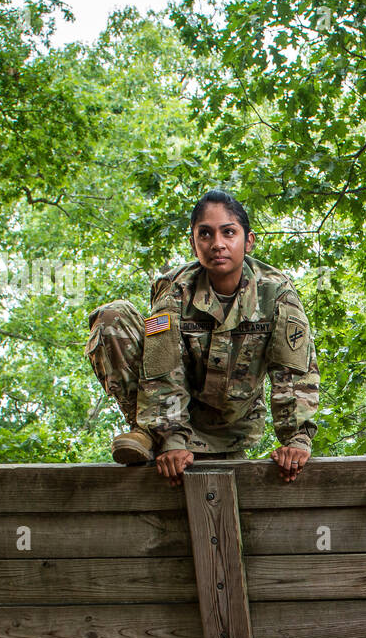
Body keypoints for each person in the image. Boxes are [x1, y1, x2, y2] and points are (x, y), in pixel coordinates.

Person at [85, 190, 320, 487]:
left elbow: (293, 369)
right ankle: (146, 431)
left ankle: (159, 432)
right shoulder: (175, 289)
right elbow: (162, 365)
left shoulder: (275, 292)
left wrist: (296, 440)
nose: (217, 244)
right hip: (171, 418)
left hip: (233, 425)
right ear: (193, 243)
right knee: (112, 317)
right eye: (205, 234)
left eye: (229, 232)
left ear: (248, 241)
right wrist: (171, 440)